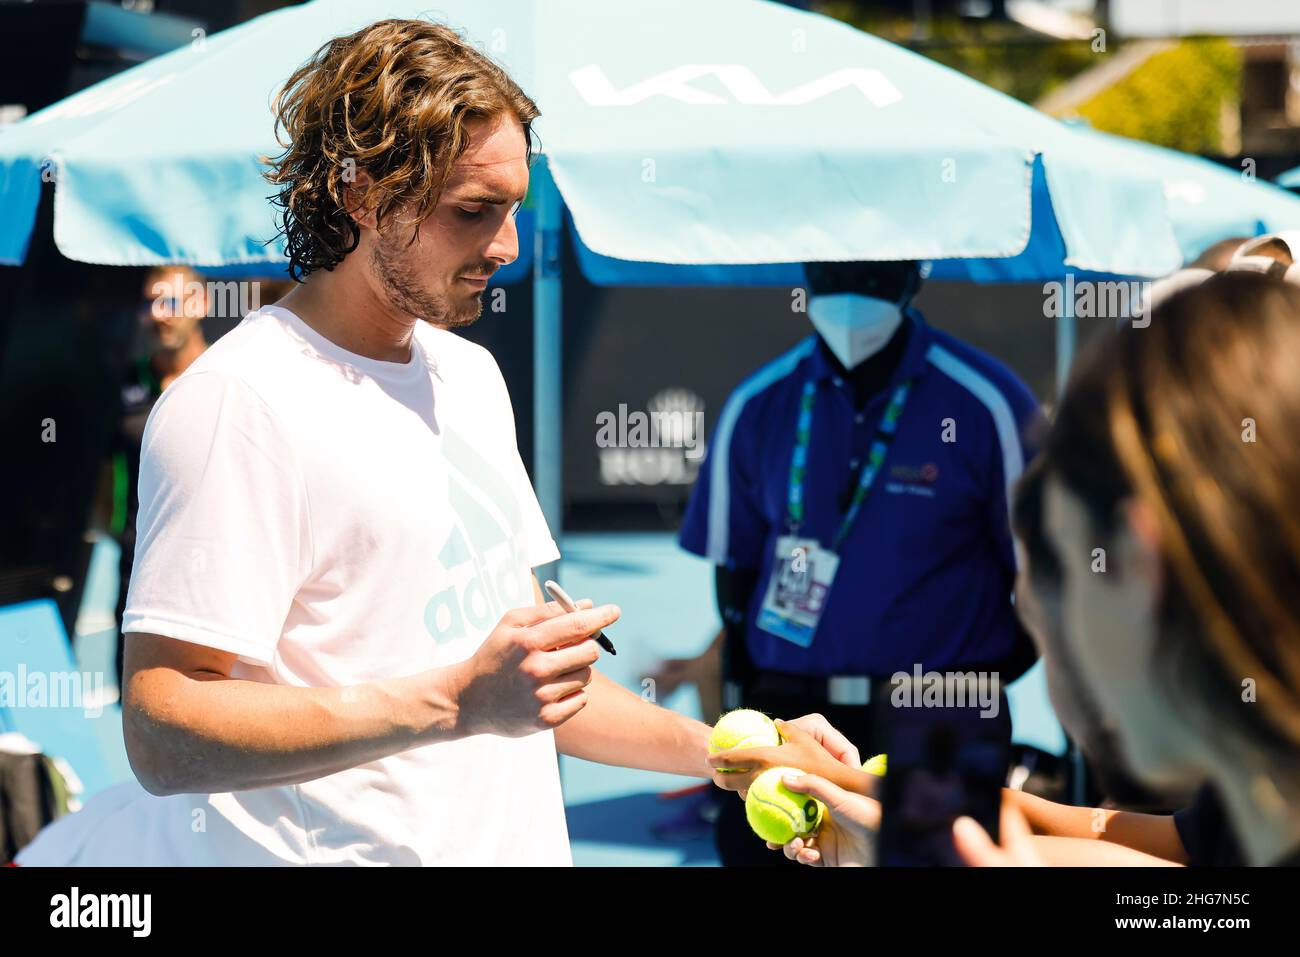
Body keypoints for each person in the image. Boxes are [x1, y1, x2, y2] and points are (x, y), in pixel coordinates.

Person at [18, 18, 855, 867]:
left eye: (514, 210)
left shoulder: (471, 377)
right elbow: (163, 730)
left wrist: (735, 756)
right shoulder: (236, 402)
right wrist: (453, 701)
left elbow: (533, 696)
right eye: (472, 211)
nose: (507, 246)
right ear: (361, 196)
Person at [771, 271, 1300, 867]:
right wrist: (890, 820)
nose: (1051, 623)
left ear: (1137, 563)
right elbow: (1170, 859)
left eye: (1064, 569)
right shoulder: (1264, 788)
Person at [682, 258, 1044, 865]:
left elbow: (1041, 571)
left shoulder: (987, 402)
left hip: (941, 707)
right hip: (792, 706)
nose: (852, 291)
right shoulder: (760, 402)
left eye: (876, 272)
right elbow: (735, 572)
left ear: (914, 277)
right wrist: (751, 686)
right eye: (832, 269)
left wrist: (988, 676)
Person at [106, 266, 210, 693]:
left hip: (210, 576)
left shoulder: (232, 378)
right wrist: (118, 533)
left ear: (202, 304)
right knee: (138, 703)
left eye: (170, 301)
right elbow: (105, 478)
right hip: (139, 578)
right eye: (150, 302)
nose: (159, 314)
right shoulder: (125, 386)